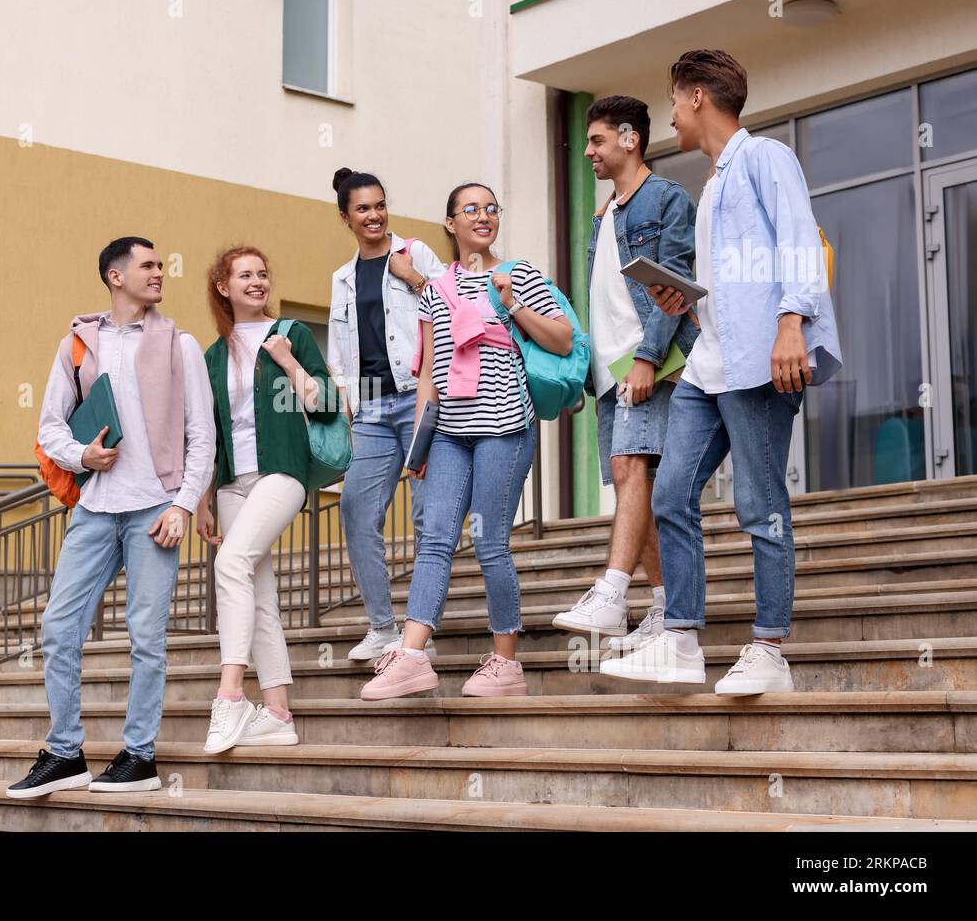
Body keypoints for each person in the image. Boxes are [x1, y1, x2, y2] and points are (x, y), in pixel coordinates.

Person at [601, 50, 843, 694]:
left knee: (759, 503)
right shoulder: (710, 187)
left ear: (700, 97)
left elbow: (797, 238)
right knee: (671, 492)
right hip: (711, 364)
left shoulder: (764, 157)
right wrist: (684, 298)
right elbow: (727, 284)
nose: (671, 115)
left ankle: (770, 649)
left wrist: (792, 321)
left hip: (762, 359)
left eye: (675, 102)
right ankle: (680, 638)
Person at [7, 236, 215, 798]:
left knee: (146, 635)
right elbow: (51, 425)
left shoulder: (181, 344)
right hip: (96, 508)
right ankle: (64, 751)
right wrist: (83, 457)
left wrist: (182, 503)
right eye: (148, 265)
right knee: (58, 627)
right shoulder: (77, 344)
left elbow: (202, 435)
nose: (159, 273)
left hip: (154, 509)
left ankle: (139, 756)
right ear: (115, 276)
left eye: (161, 266)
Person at [360, 183, 573, 700]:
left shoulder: (519, 274)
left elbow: (562, 338)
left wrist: (512, 306)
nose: (482, 216)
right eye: (470, 210)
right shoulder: (435, 289)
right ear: (451, 224)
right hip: (451, 434)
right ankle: (411, 656)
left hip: (506, 428)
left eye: (490, 208)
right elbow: (431, 372)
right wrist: (420, 445)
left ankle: (506, 665)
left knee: (489, 542)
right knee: (434, 538)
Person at [552, 96, 699, 652]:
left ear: (630, 138)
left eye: (597, 140)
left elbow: (675, 285)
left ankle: (613, 591)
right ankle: (662, 608)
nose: (589, 150)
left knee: (630, 467)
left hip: (652, 361)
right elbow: (606, 301)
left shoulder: (664, 199)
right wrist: (589, 376)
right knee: (632, 483)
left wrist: (648, 357)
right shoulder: (606, 213)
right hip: (612, 370)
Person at [195, 245, 339, 752]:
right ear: (223, 287)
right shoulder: (213, 355)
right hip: (233, 481)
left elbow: (328, 404)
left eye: (262, 273)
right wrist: (202, 499)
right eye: (245, 275)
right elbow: (209, 432)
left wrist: (288, 362)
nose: (257, 282)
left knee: (230, 565)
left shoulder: (291, 334)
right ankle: (278, 713)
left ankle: (230, 696)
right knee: (258, 597)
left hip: (282, 471)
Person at [327, 168, 447, 661]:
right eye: (362, 209)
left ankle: (421, 632)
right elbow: (340, 352)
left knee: (426, 516)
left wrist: (415, 279)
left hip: (419, 397)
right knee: (356, 510)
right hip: (372, 407)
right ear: (346, 217)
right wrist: (350, 410)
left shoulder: (415, 254)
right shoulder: (342, 277)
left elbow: (454, 310)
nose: (374, 215)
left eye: (379, 205)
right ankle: (382, 627)